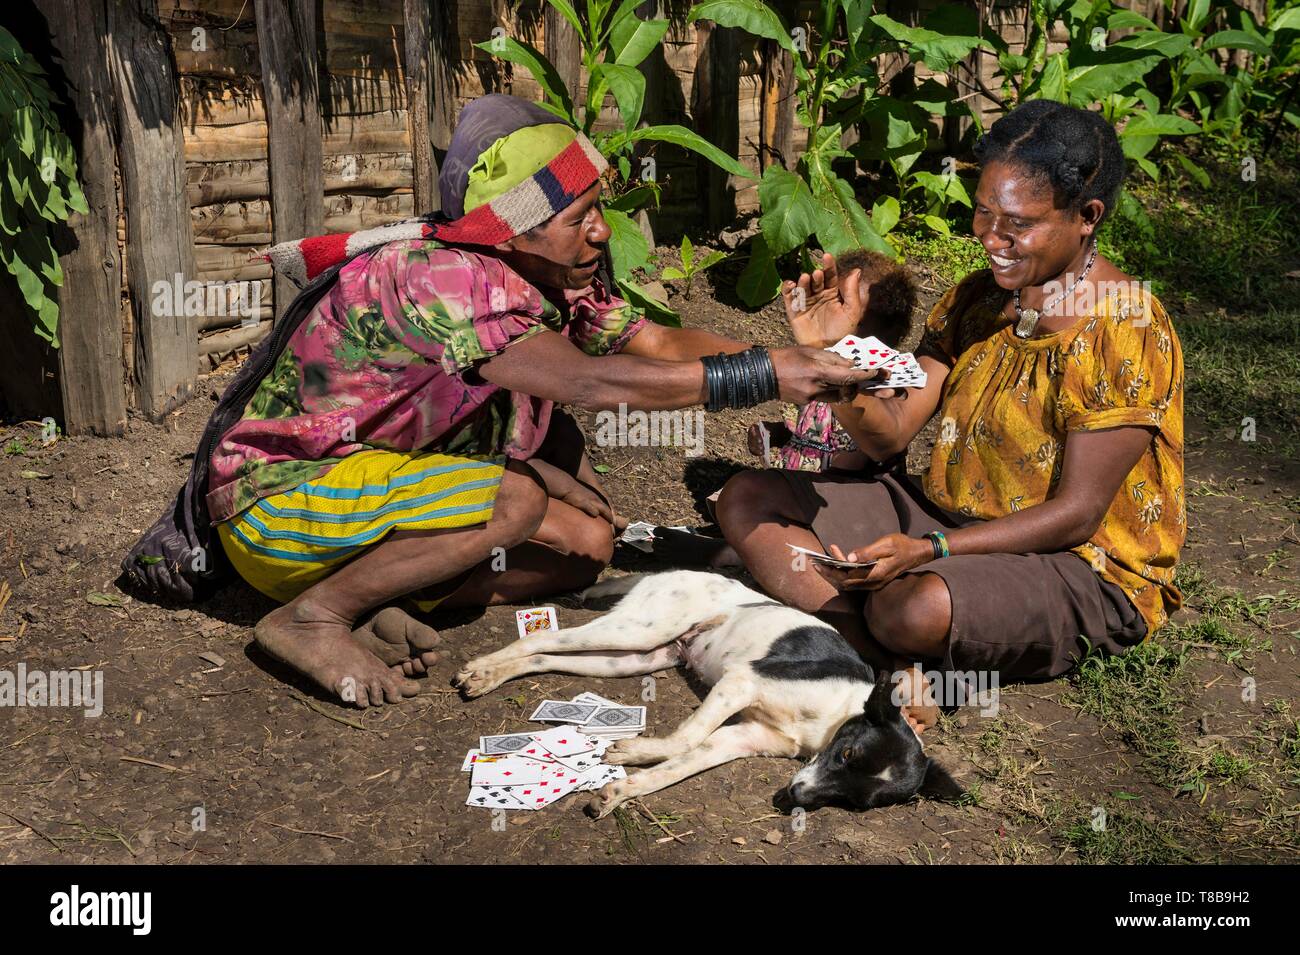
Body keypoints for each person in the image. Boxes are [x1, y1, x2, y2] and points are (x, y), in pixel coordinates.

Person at [206, 94, 869, 708]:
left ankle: (383, 590)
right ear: (515, 233)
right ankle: (313, 614)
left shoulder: (545, 270)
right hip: (283, 505)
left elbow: (655, 340)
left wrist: (800, 357)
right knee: (516, 499)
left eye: (598, 209)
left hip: (374, 489)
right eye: (580, 218)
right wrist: (765, 374)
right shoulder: (442, 276)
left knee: (586, 543)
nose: (603, 232)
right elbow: (591, 382)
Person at [716, 99, 1185, 734]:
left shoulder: (1126, 329)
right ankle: (889, 662)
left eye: (1017, 224)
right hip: (950, 520)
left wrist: (930, 549)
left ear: (1087, 217)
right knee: (748, 498)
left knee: (913, 607)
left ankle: (893, 644)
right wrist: (831, 358)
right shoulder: (979, 300)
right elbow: (892, 431)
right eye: (984, 212)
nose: (990, 238)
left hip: (1078, 563)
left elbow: (1076, 514)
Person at [747, 248, 916, 474]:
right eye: (836, 309)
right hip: (797, 483)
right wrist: (772, 433)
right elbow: (802, 430)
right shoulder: (812, 372)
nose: (842, 324)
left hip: (849, 494)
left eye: (858, 321)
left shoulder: (885, 384)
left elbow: (876, 444)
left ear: (889, 335)